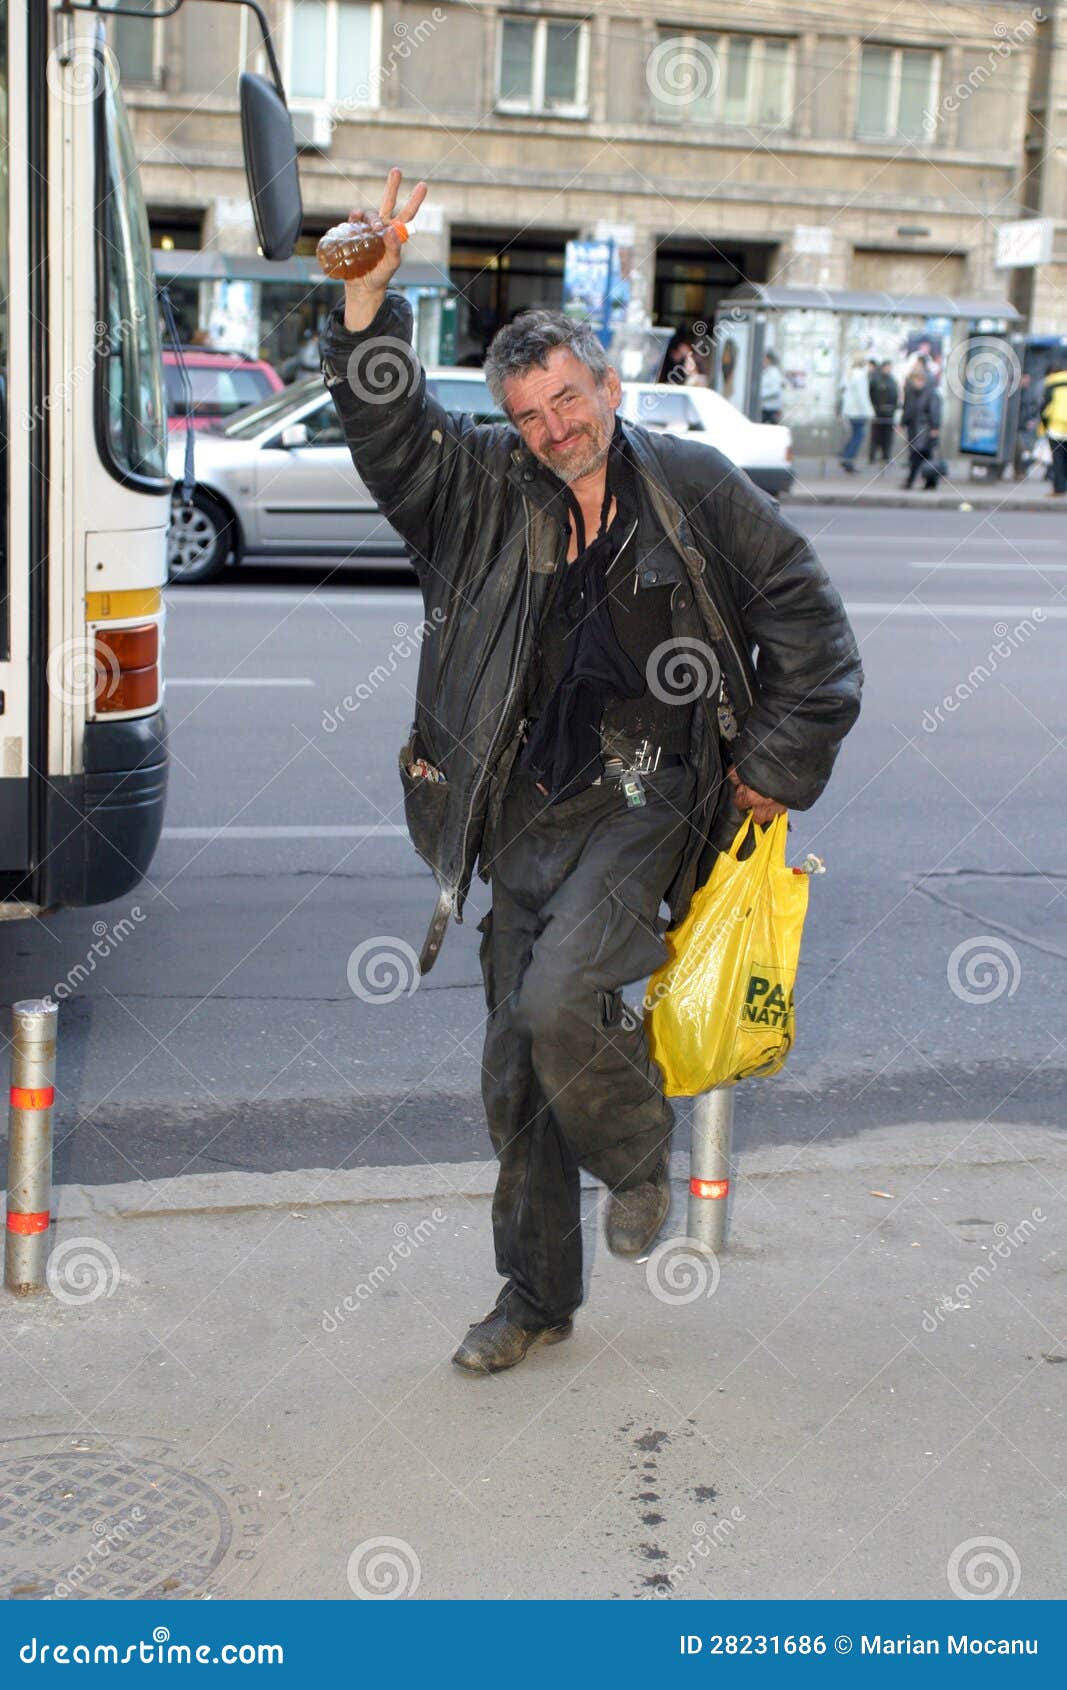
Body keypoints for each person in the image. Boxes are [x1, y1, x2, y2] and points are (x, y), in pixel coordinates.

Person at [320, 168, 863, 1376]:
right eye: (529, 413)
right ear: (509, 421)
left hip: (644, 803)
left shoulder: (696, 492)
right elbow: (389, 432)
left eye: (569, 399)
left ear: (608, 386)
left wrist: (776, 761)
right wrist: (365, 312)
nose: (555, 428)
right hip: (516, 810)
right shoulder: (479, 500)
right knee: (514, 1069)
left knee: (564, 999)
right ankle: (534, 1296)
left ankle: (634, 1157)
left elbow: (813, 630)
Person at [900, 367, 943, 489]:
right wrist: (903, 423)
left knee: (919, 456)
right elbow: (907, 409)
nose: (916, 383)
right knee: (922, 456)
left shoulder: (931, 394)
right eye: (915, 380)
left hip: (926, 430)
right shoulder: (911, 393)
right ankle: (929, 483)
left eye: (919, 380)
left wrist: (935, 427)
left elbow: (935, 411)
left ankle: (912, 481)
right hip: (914, 429)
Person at [839, 354, 873, 472]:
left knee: (856, 434)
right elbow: (862, 396)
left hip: (849, 410)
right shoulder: (860, 375)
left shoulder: (849, 374)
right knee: (858, 435)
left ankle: (846, 455)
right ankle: (848, 458)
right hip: (859, 411)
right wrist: (870, 412)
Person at [1038, 359, 1067, 497]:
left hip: (1056, 426)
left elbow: (1044, 405)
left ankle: (1059, 489)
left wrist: (1044, 424)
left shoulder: (1051, 381)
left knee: (1058, 458)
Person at [868, 360, 899, 464]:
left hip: (890, 413)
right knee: (876, 436)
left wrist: (894, 407)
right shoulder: (876, 379)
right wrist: (875, 408)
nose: (889, 369)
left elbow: (895, 394)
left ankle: (886, 457)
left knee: (888, 437)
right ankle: (872, 457)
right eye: (887, 367)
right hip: (879, 412)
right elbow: (872, 394)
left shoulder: (892, 379)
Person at [759, 350, 783, 424]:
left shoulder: (774, 373)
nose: (763, 360)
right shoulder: (765, 372)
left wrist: (760, 395)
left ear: (769, 359)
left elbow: (775, 391)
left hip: (772, 409)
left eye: (765, 358)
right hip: (764, 407)